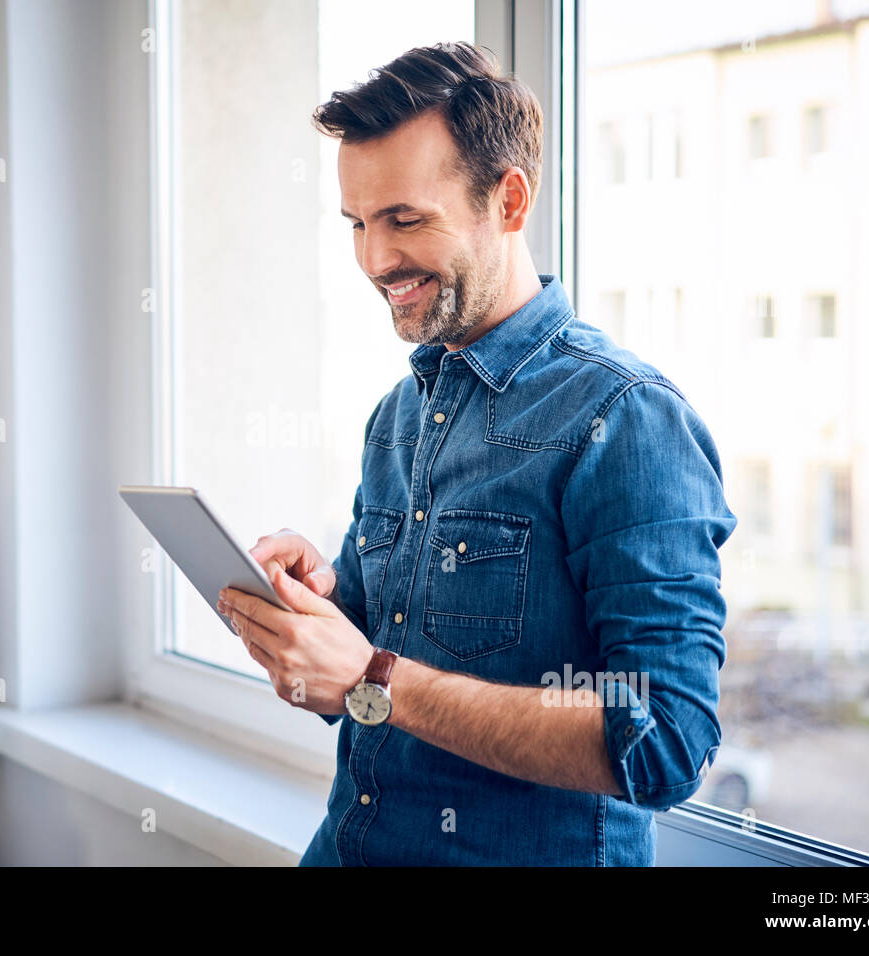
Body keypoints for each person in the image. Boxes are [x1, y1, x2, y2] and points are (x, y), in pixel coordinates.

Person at [215, 41, 737, 866]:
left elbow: (667, 741)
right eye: (357, 224)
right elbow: (373, 676)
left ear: (510, 199)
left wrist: (372, 676)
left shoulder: (626, 419)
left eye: (405, 220)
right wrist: (324, 614)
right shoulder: (398, 415)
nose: (375, 261)